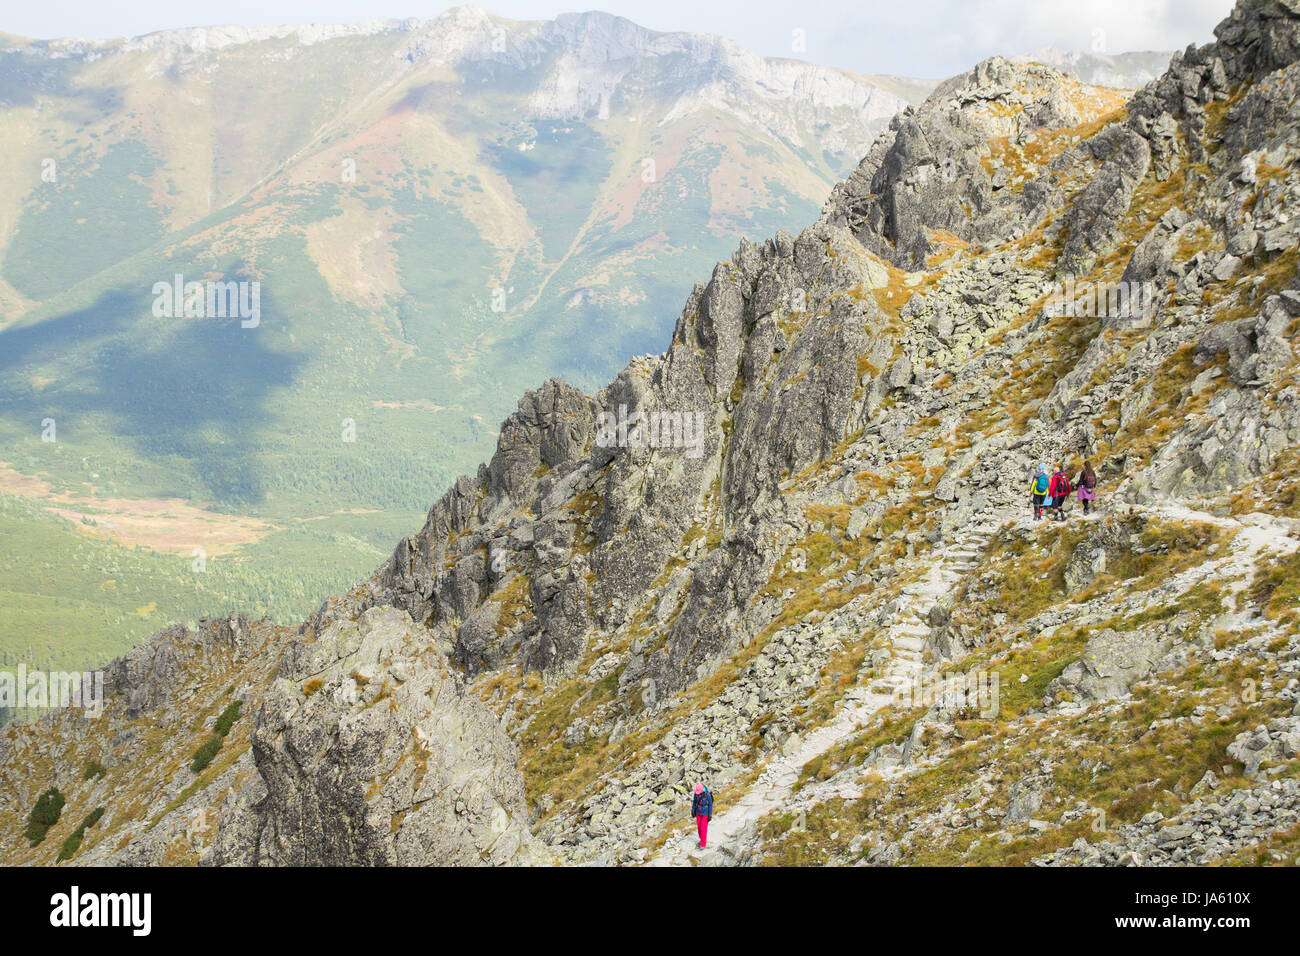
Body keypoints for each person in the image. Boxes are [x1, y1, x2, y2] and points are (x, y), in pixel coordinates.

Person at [691, 782, 713, 848]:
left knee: (703, 828)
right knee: (699, 828)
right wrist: (693, 811)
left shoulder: (707, 795)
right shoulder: (696, 794)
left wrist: (710, 815)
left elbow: (710, 805)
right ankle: (702, 840)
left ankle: (703, 844)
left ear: (702, 789)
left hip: (705, 813)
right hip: (698, 812)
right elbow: (694, 802)